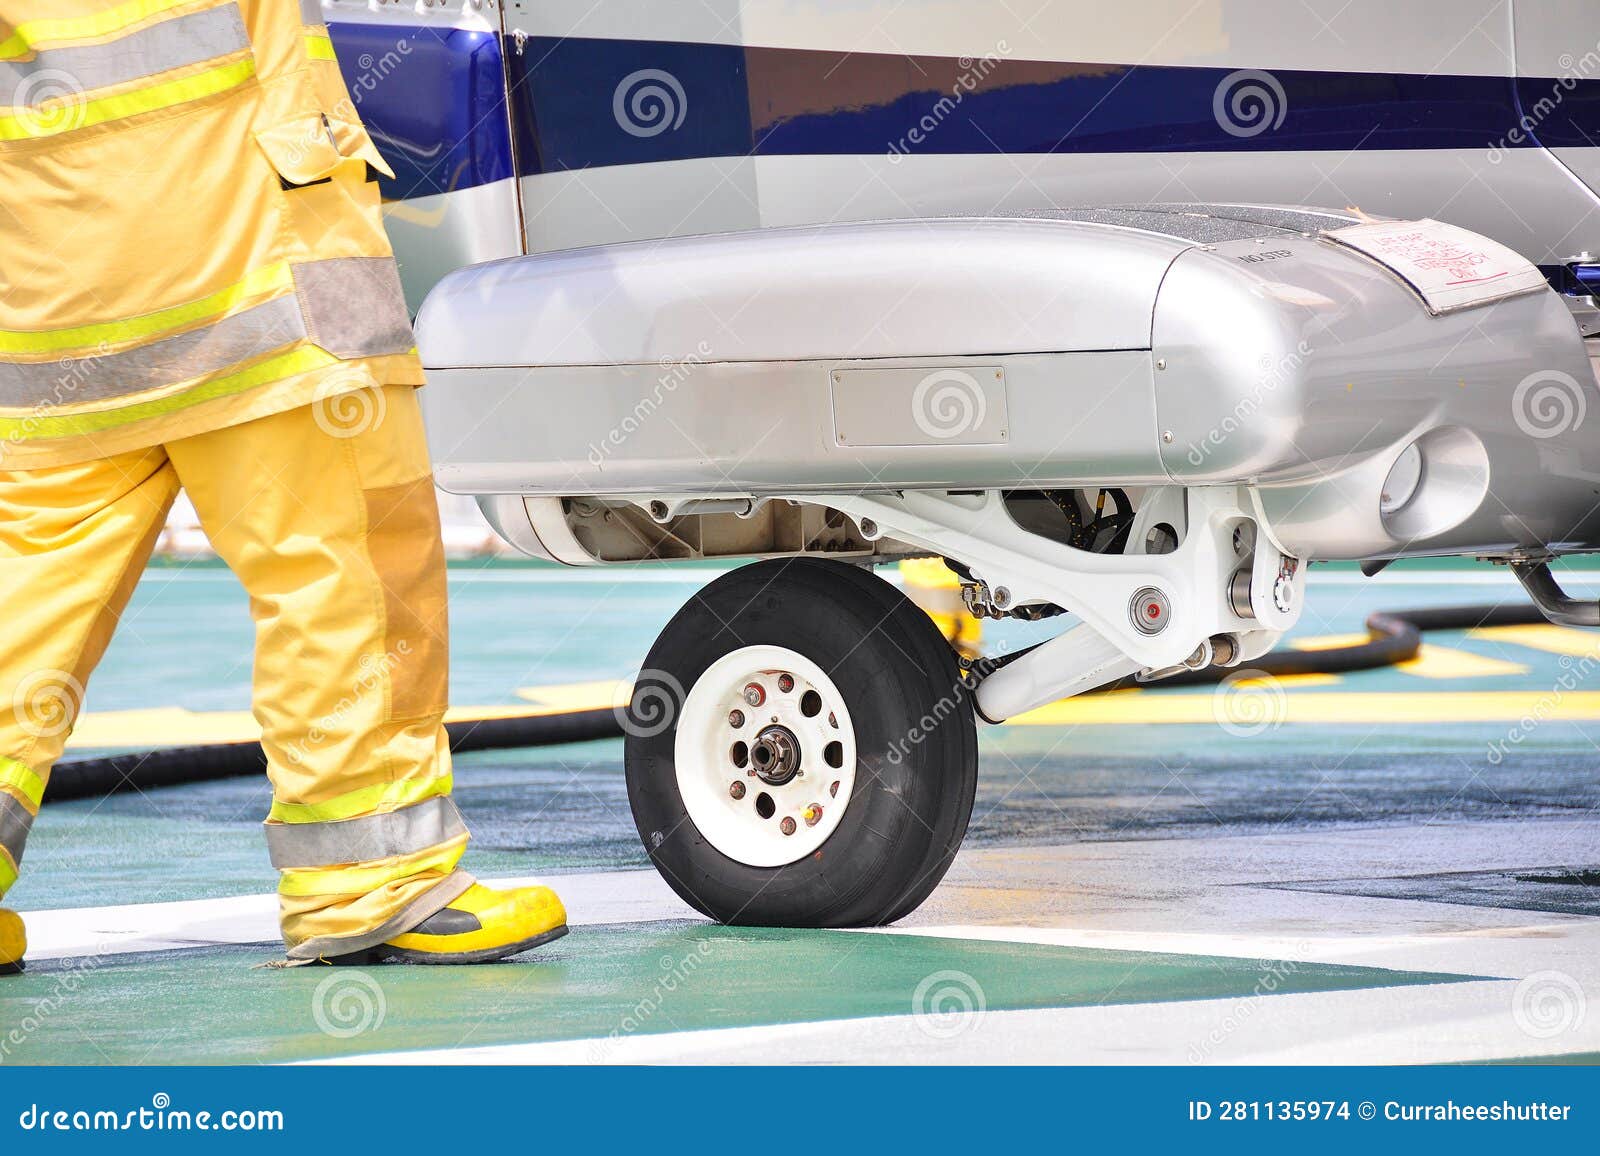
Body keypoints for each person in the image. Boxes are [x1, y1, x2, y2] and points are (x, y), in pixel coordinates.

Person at [0, 0, 565, 973]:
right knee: (344, 570)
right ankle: (371, 877)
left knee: (29, 602)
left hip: (58, 293)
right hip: (259, 269)